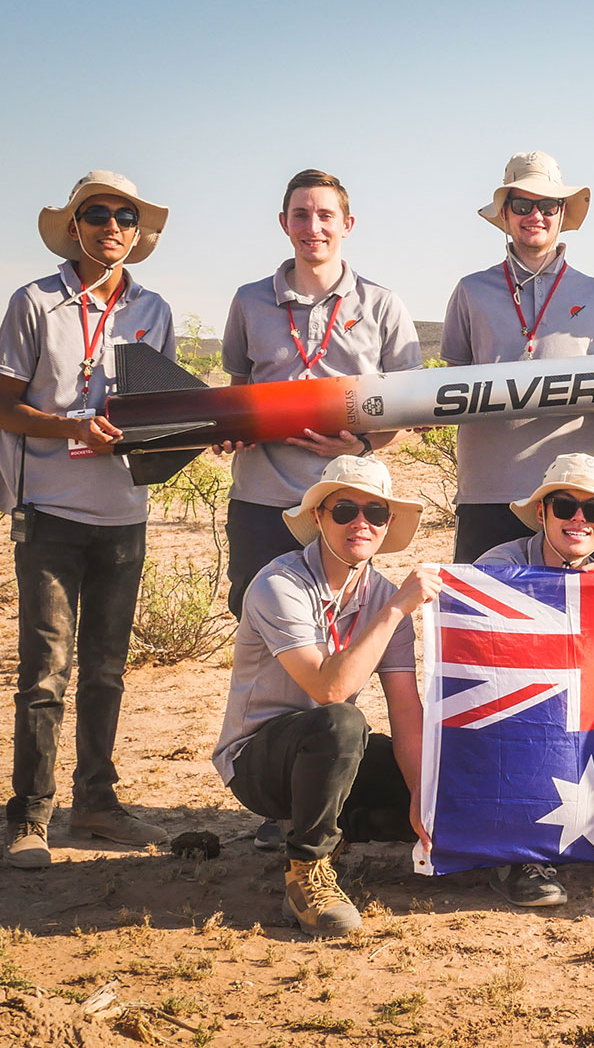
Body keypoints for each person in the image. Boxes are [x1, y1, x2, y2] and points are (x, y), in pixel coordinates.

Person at [0, 171, 176, 868]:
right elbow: (6, 405)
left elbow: (155, 408)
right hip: (48, 512)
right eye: (97, 214)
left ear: (138, 232)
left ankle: (96, 807)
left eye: (125, 216)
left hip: (124, 514)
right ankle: (31, 816)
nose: (112, 226)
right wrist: (70, 422)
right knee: (46, 670)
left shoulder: (153, 309)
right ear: (74, 227)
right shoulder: (34, 303)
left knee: (108, 669)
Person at [211, 456, 439, 937]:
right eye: (344, 511)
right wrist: (398, 608)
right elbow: (329, 688)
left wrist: (423, 793)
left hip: (330, 756)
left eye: (375, 513)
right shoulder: (279, 583)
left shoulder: (382, 595)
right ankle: (306, 871)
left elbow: (404, 710)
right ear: (318, 517)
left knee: (437, 777)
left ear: (387, 524)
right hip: (259, 761)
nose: (361, 523)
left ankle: (336, 830)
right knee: (341, 722)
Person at [220, 169, 422, 618]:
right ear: (284, 222)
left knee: (338, 626)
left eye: (325, 215)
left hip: (346, 507)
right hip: (260, 499)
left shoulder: (382, 303)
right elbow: (237, 393)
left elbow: (409, 413)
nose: (314, 227)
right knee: (257, 624)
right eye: (301, 215)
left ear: (347, 224)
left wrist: (363, 443)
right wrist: (233, 430)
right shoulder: (248, 301)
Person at [473, 452, 594, 904]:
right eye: (565, 506)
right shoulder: (496, 569)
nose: (578, 519)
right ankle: (516, 855)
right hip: (513, 718)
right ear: (541, 512)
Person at [445, 151, 594, 564]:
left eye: (548, 205)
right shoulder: (471, 290)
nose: (535, 215)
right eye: (523, 205)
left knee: (574, 621)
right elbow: (451, 380)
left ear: (562, 213)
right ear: (505, 214)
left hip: (574, 499)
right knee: (483, 616)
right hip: (488, 489)